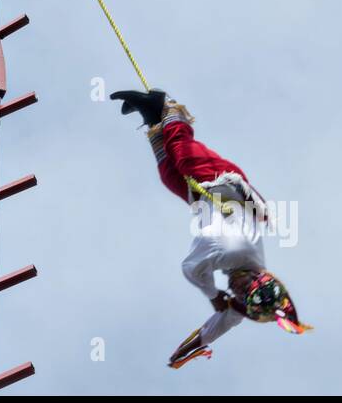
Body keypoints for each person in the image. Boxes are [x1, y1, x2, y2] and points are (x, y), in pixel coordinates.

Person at [110, 88, 310, 367]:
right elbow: (190, 268)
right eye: (240, 291)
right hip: (218, 179)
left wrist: (185, 351)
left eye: (238, 297)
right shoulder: (231, 251)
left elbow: (224, 322)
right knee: (182, 155)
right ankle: (166, 106)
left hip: (203, 197)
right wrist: (214, 296)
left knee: (170, 175)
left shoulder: (242, 282)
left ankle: (150, 114)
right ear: (253, 282)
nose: (235, 292)